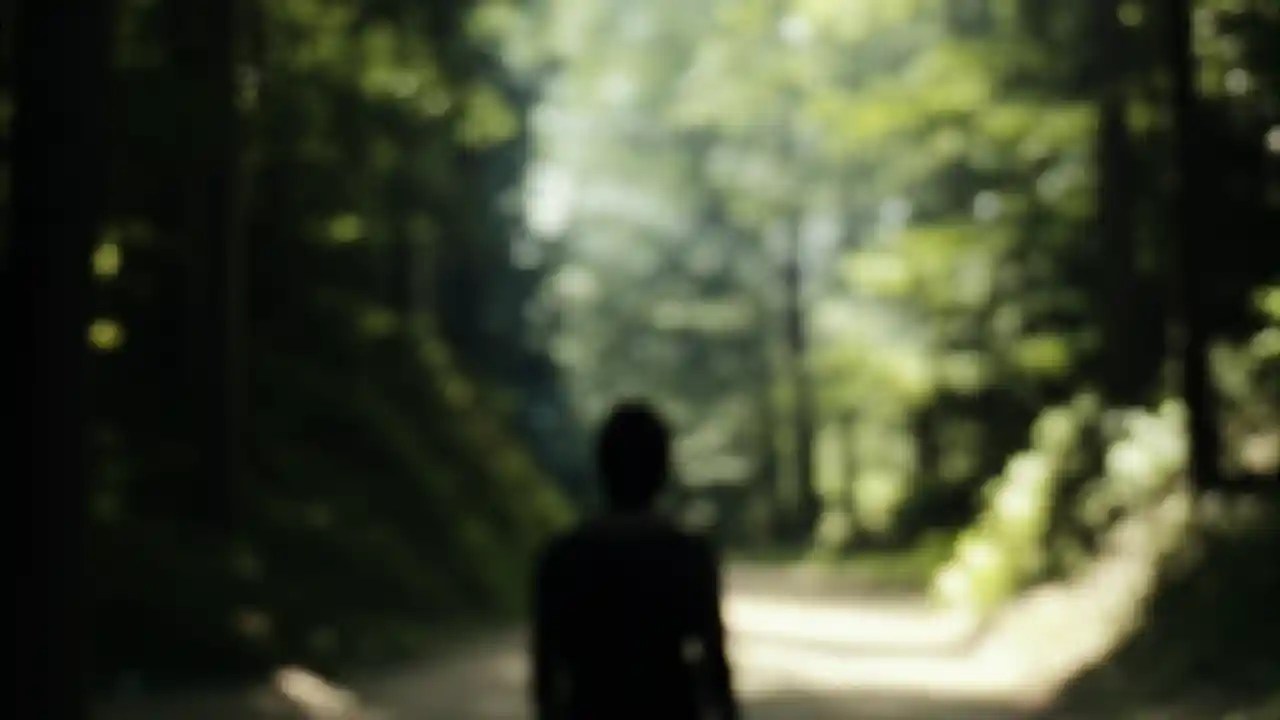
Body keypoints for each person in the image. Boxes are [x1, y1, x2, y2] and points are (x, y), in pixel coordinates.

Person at [532, 401, 738, 720]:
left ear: (602, 466)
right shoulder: (687, 552)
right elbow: (714, 660)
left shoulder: (563, 555)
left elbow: (546, 669)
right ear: (663, 468)